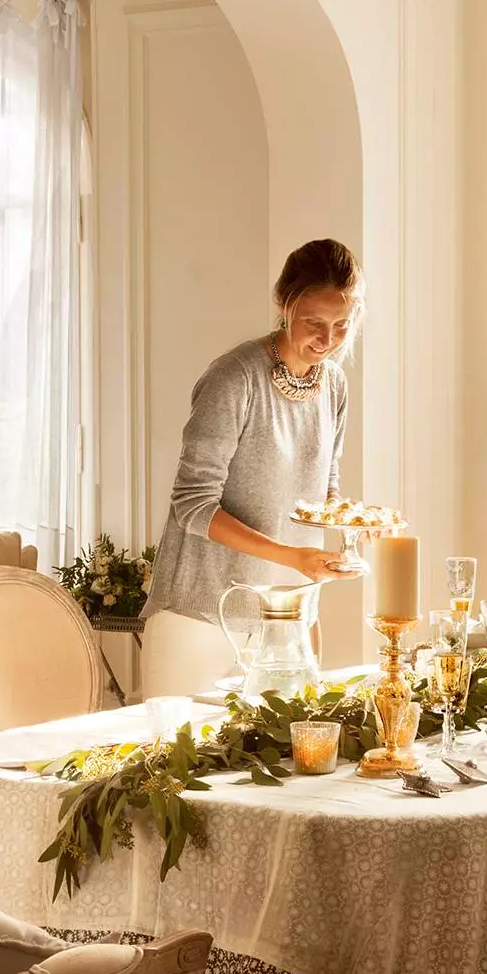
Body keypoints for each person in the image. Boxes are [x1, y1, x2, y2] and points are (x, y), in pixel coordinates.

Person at [140, 238, 362, 696]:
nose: (328, 340)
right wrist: (291, 557)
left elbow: (325, 484)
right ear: (283, 304)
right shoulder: (235, 377)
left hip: (288, 617)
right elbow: (193, 504)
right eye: (314, 323)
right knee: (172, 763)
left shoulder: (334, 385)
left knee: (291, 763)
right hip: (201, 617)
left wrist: (351, 523)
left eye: (342, 325)